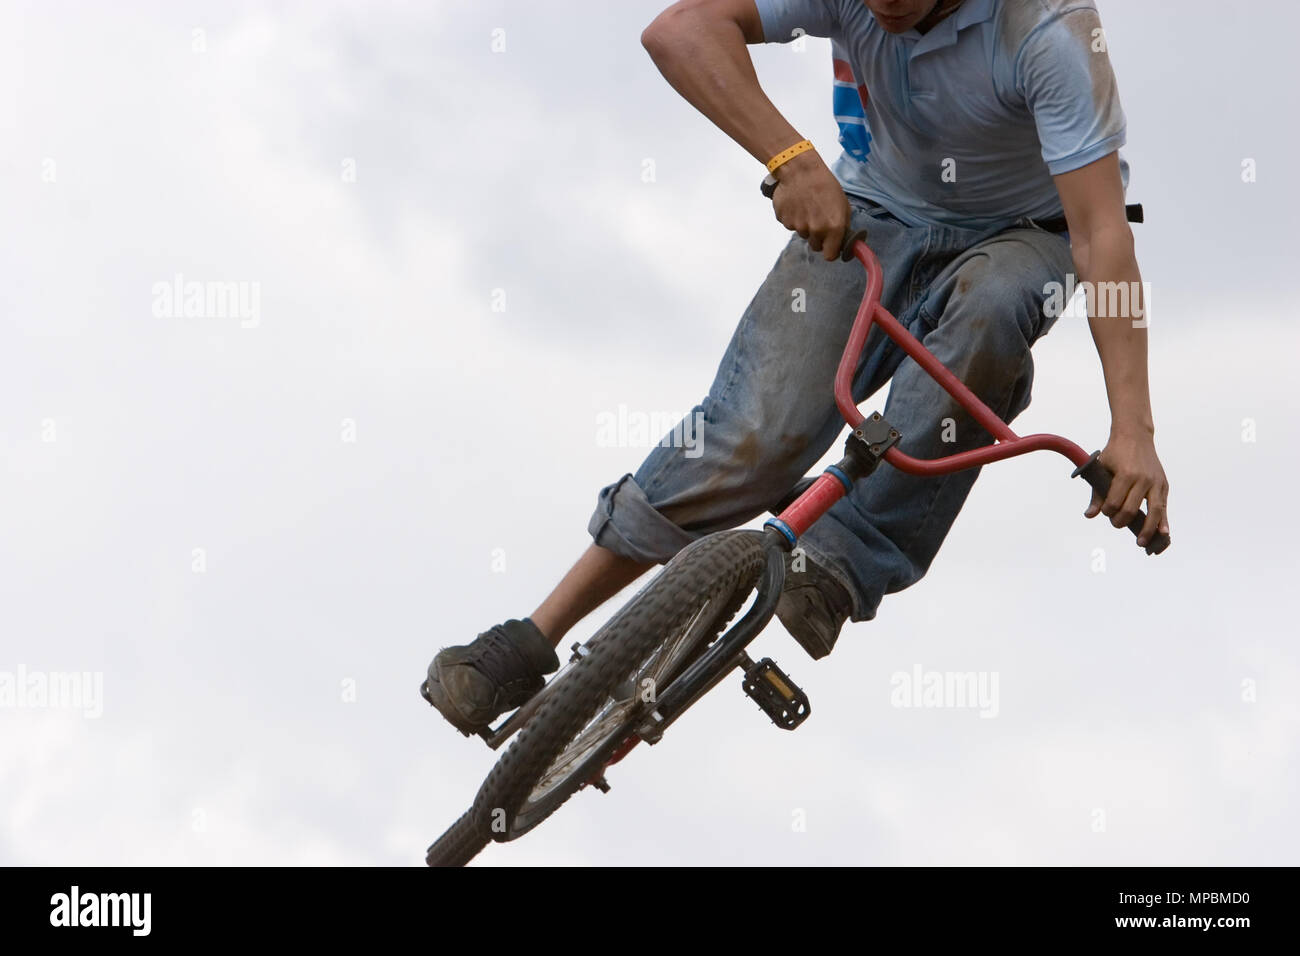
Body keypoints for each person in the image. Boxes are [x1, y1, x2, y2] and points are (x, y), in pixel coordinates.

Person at [422, 0, 1171, 735]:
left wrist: (1131, 429)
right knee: (755, 433)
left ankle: (841, 562)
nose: (884, 8)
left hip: (1024, 232)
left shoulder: (1048, 30)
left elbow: (1101, 236)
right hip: (876, 204)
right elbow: (680, 30)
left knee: (990, 314)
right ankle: (531, 637)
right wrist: (791, 159)